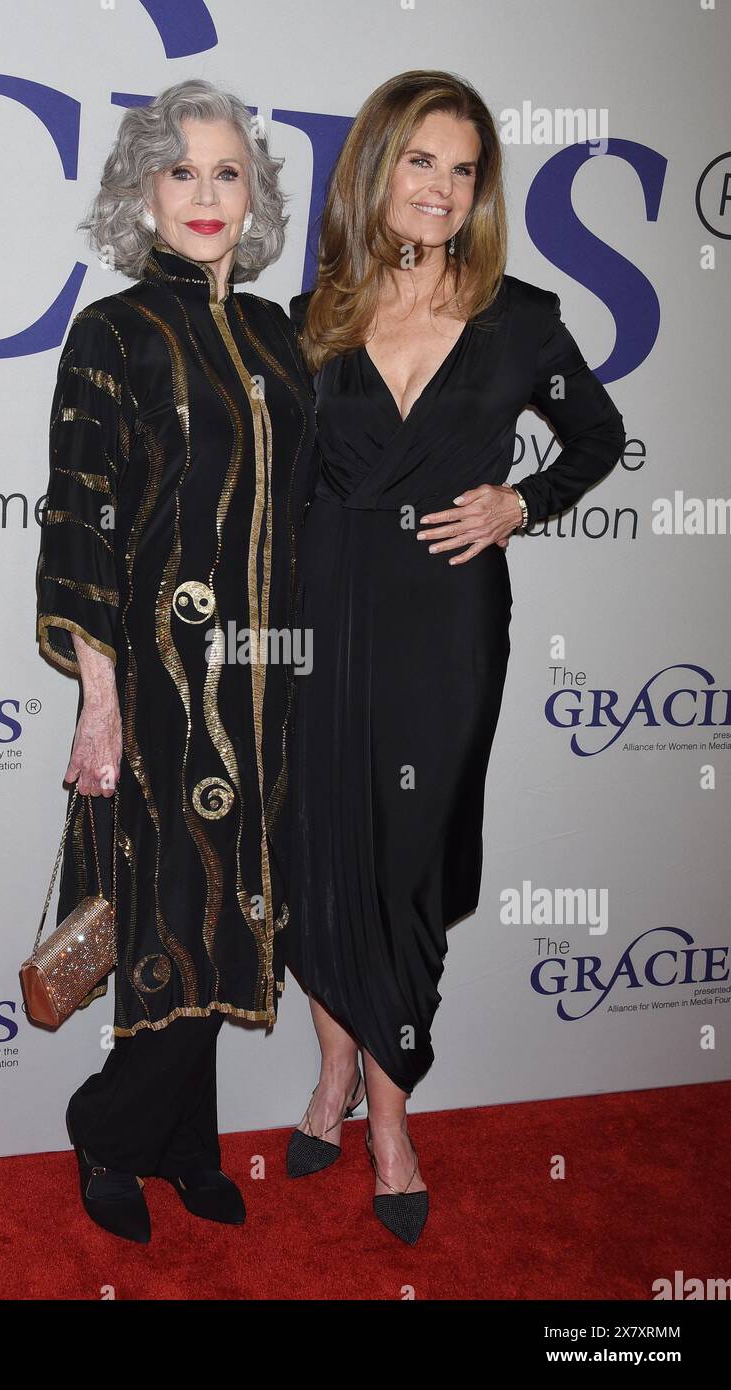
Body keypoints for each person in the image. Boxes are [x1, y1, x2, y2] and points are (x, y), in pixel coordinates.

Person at [286, 70, 626, 1245]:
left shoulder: (522, 316)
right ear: (377, 170)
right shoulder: (315, 314)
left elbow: (599, 434)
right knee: (318, 861)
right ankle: (336, 1079)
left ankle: (391, 1120)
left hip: (446, 624)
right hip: (321, 615)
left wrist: (522, 503)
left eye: (463, 168)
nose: (439, 187)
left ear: (481, 190)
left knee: (406, 873)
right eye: (420, 161)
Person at [35, 78, 316, 1243]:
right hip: (157, 680)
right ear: (141, 195)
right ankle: (109, 1129)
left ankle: (183, 1145)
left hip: (269, 680)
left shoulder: (275, 331)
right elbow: (81, 519)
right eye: (181, 171)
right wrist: (97, 700)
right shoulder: (111, 332)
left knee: (237, 907)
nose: (207, 195)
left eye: (228, 171)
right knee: (163, 908)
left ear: (255, 195)